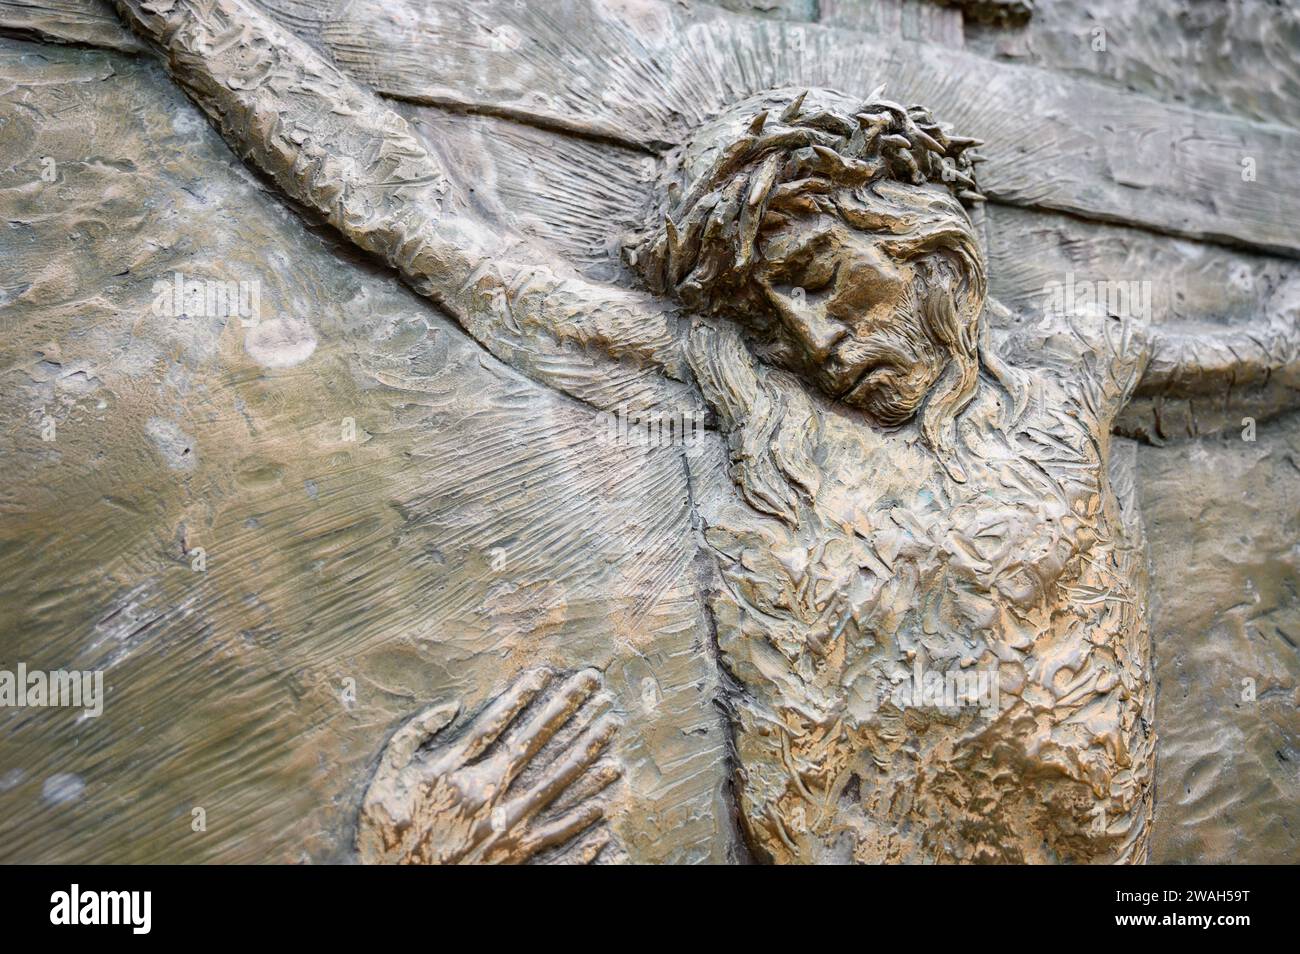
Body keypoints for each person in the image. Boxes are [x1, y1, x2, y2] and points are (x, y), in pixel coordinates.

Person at [114, 0, 1300, 863]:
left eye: (824, 280)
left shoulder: (1079, 373)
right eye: (771, 315)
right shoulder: (750, 395)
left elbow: (1278, 354)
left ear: (920, 230)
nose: (815, 340)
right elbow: (414, 220)